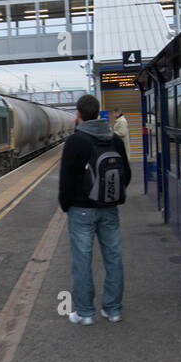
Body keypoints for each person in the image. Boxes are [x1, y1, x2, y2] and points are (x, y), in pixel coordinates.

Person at [59, 94, 132, 325]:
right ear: (98, 112)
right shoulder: (114, 139)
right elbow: (126, 174)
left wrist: (66, 204)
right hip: (109, 209)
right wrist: (110, 196)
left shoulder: (75, 141)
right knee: (114, 259)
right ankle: (113, 310)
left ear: (78, 114)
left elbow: (66, 180)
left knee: (82, 262)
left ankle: (85, 313)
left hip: (81, 210)